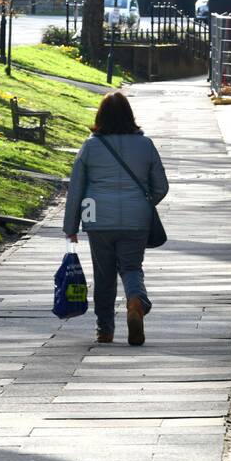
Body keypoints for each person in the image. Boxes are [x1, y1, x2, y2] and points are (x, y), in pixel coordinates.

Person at [63, 91, 169, 345]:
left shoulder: (90, 147)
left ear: (100, 116)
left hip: (98, 219)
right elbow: (161, 186)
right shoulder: (146, 145)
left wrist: (71, 226)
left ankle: (105, 330)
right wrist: (143, 204)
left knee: (104, 275)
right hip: (136, 220)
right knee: (132, 268)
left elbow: (76, 188)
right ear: (129, 116)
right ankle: (135, 302)